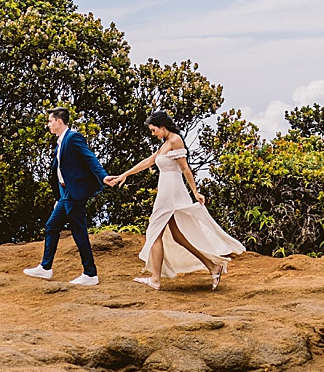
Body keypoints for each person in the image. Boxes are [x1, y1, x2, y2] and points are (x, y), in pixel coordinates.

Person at [104, 111, 243, 290]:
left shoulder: (175, 140)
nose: (153, 134)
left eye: (154, 130)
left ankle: (155, 279)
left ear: (163, 127)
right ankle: (212, 266)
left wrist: (195, 192)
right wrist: (124, 175)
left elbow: (185, 168)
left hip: (171, 191)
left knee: (154, 232)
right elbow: (149, 161)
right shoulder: (165, 143)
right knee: (177, 236)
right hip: (166, 190)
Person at [22, 108, 108, 287]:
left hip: (74, 193)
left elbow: (89, 158)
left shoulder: (73, 138)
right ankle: (46, 268)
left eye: (50, 121)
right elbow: (58, 170)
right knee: (52, 226)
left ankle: (90, 273)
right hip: (65, 194)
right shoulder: (61, 141)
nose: (48, 125)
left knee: (78, 231)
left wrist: (104, 176)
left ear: (59, 121)